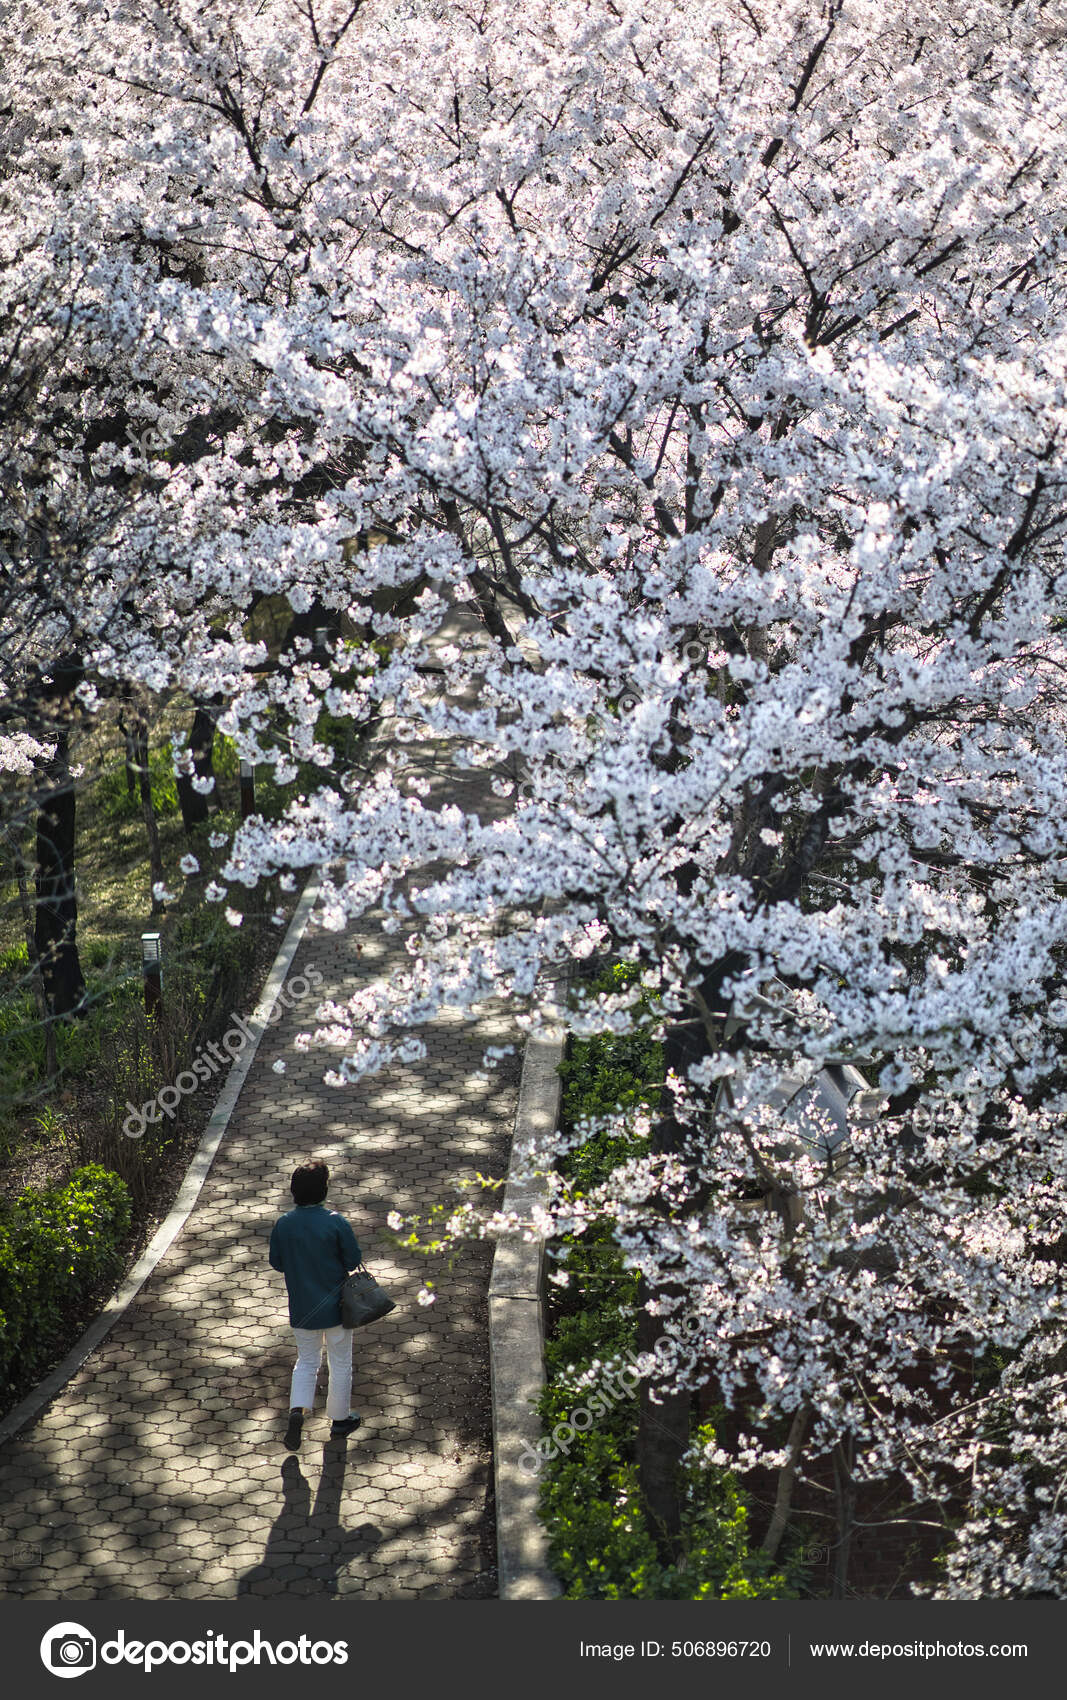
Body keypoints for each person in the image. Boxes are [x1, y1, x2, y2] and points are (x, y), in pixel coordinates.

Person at [268, 1159, 363, 1449]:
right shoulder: (336, 1221)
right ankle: (339, 1419)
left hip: (302, 1308)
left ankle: (298, 1409)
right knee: (340, 1362)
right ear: (323, 1191)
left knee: (307, 1361)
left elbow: (276, 1262)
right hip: (337, 1307)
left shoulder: (284, 1224)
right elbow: (352, 1260)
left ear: (294, 1192)